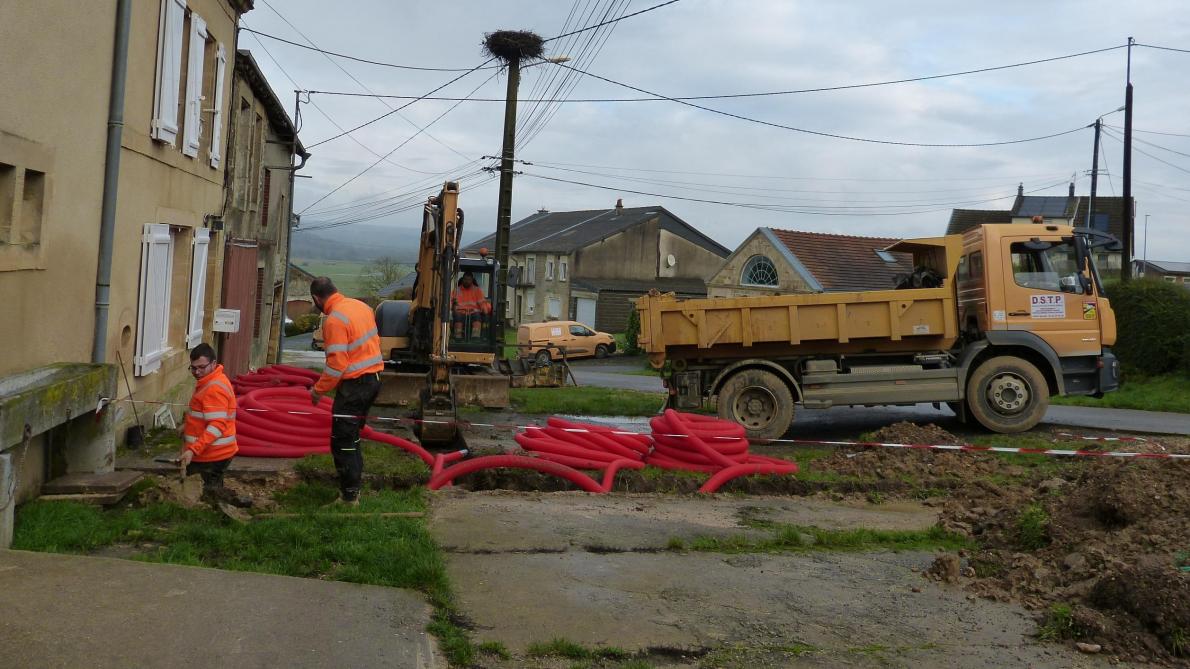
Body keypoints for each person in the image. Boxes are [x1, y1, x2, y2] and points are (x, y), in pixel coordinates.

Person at [309, 276, 384, 506]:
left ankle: (350, 496)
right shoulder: (361, 306)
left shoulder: (334, 321)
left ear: (316, 299)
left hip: (355, 386)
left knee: (342, 441)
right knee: (352, 437)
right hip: (374, 380)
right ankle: (354, 490)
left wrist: (317, 391)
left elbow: (336, 365)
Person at [178, 343, 238, 501]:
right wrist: (187, 426)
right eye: (193, 368)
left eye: (201, 367)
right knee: (213, 491)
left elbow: (217, 426)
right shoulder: (213, 380)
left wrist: (193, 450)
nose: (197, 372)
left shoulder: (213, 388)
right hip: (215, 453)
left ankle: (213, 516)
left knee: (204, 496)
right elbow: (206, 415)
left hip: (211, 455)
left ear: (213, 363)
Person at [451, 271, 491, 339]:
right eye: (465, 279)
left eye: (469, 280)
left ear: (472, 280)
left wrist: (485, 310)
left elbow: (482, 302)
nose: (467, 281)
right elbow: (451, 301)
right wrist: (453, 309)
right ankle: (458, 337)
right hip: (460, 312)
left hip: (473, 313)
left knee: (477, 316)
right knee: (457, 317)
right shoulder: (456, 290)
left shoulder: (477, 290)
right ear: (462, 279)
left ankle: (475, 337)